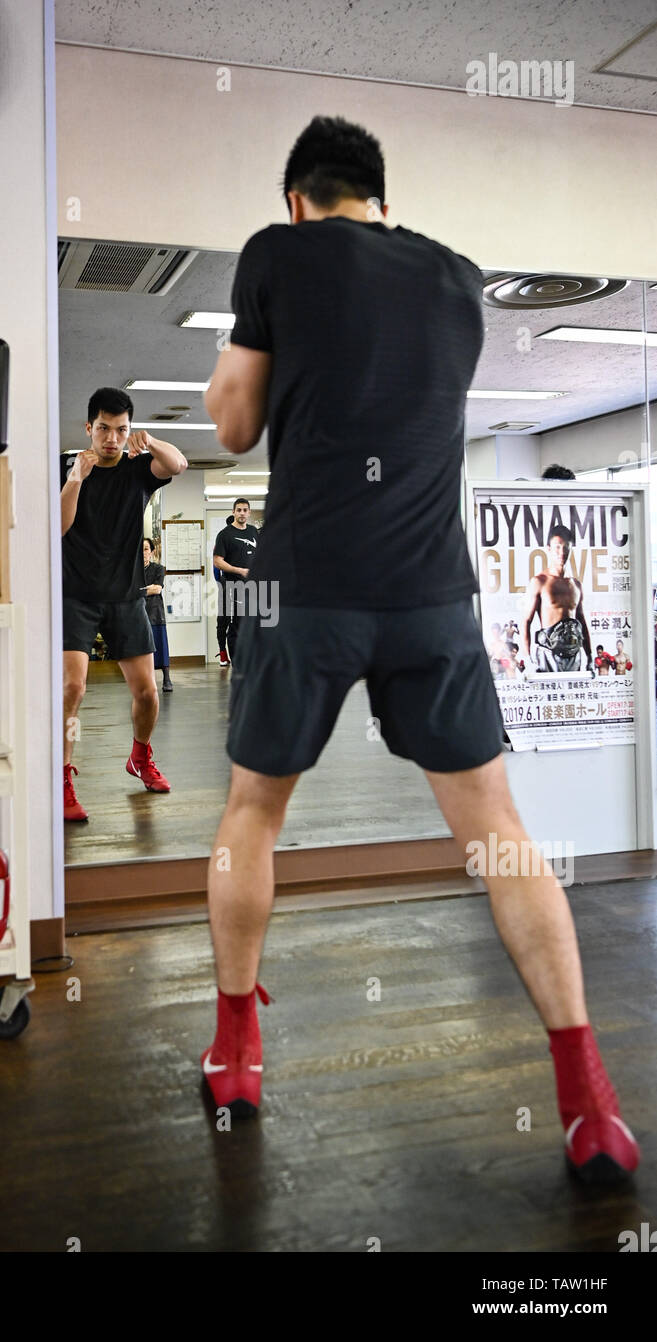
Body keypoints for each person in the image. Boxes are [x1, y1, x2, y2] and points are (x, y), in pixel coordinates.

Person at [199, 114, 638, 1181]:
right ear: (382, 199)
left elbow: (232, 425)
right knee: (497, 829)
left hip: (305, 587)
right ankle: (587, 1102)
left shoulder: (274, 250)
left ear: (296, 198)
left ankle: (236, 1051)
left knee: (254, 811)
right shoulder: (456, 277)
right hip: (431, 592)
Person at [61, 387, 187, 822]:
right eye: (103, 429)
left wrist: (150, 443)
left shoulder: (138, 470)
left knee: (148, 694)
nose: (111, 438)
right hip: (75, 595)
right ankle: (61, 780)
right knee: (72, 688)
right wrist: (76, 479)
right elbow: (57, 527)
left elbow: (179, 464)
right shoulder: (68, 467)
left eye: (121, 430)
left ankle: (140, 757)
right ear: (89, 428)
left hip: (125, 596)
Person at [522, 527, 592, 674]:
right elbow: (525, 621)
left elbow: (582, 622)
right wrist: (528, 659)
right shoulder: (539, 582)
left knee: (574, 696)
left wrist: (590, 656)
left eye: (566, 547)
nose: (562, 552)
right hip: (548, 654)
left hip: (574, 655)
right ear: (549, 549)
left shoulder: (576, 584)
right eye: (558, 547)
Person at [213, 499, 260, 665]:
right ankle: (236, 662)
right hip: (232, 585)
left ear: (249, 512)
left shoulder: (254, 532)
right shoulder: (225, 534)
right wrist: (239, 570)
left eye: (245, 510)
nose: (242, 513)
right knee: (236, 624)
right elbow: (217, 561)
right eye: (238, 510)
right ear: (234, 512)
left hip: (252, 587)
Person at [142, 537, 173, 692]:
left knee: (160, 644)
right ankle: (147, 681)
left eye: (146, 549)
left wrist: (139, 591)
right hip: (138, 613)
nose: (143, 553)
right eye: (140, 549)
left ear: (152, 552)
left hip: (155, 611)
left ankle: (167, 679)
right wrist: (147, 589)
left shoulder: (158, 569)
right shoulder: (133, 571)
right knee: (142, 649)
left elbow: (157, 589)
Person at [214, 515, 235, 665]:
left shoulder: (222, 539)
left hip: (228, 583)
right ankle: (223, 654)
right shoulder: (225, 538)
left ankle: (224, 654)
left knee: (225, 621)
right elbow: (216, 566)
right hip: (230, 583)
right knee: (226, 621)